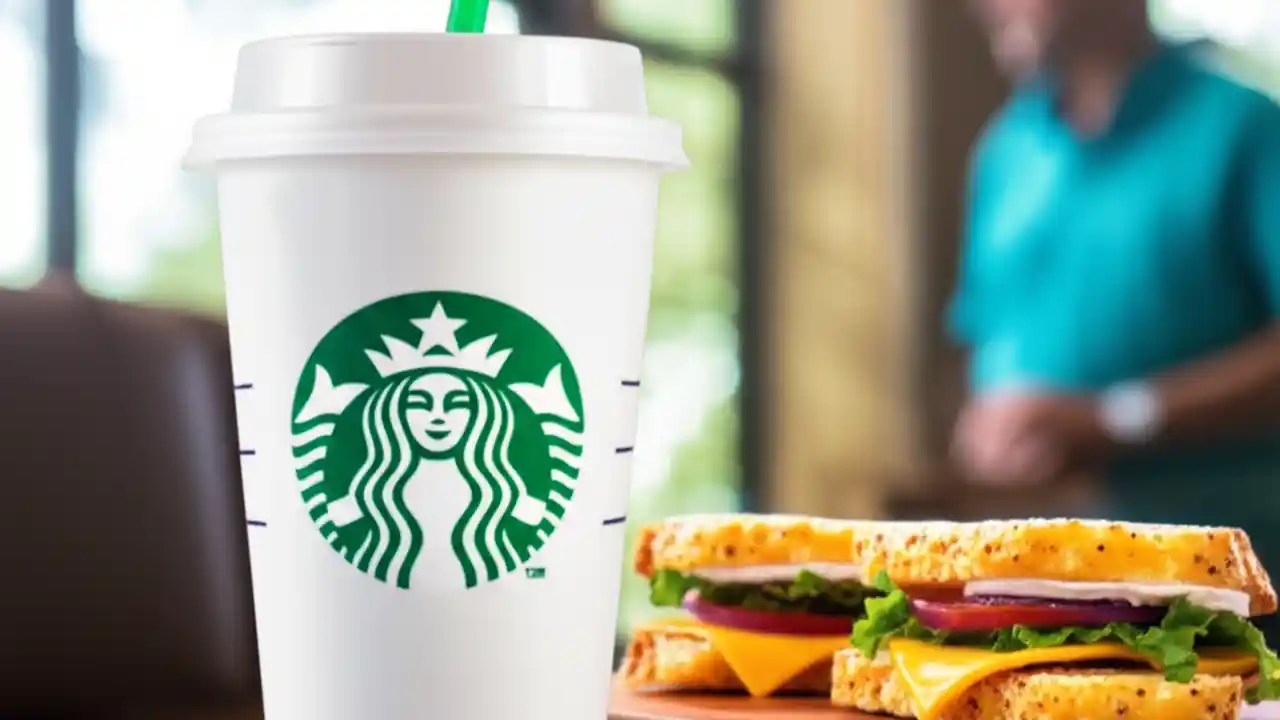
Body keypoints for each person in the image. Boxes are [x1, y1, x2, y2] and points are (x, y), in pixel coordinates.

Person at [950, 0, 1280, 601]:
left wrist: (1113, 417)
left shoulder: (1246, 127)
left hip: (1229, 583)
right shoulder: (1004, 152)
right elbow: (982, 340)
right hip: (1040, 580)